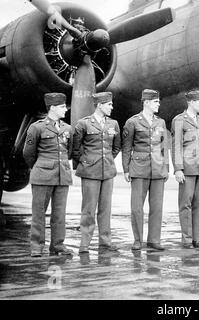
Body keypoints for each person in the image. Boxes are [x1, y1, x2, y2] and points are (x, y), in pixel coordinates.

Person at [23, 92, 73, 257]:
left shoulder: (67, 129)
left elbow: (69, 151)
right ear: (52, 108)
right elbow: (28, 153)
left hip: (62, 176)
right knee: (39, 212)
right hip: (42, 176)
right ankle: (36, 246)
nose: (65, 109)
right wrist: (40, 167)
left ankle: (58, 245)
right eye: (61, 107)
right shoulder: (37, 127)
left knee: (59, 214)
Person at [72, 92, 121, 254]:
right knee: (88, 209)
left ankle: (105, 243)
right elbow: (76, 149)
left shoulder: (113, 124)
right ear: (100, 105)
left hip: (107, 171)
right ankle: (84, 244)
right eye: (109, 105)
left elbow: (116, 147)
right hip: (90, 171)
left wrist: (106, 159)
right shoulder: (83, 124)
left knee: (105, 209)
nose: (112, 107)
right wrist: (87, 161)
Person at [122, 89, 169, 251]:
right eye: (156, 102)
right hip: (139, 168)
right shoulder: (133, 122)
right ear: (146, 103)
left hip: (157, 169)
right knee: (137, 207)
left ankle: (154, 240)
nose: (158, 104)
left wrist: (166, 168)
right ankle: (137, 240)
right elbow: (127, 148)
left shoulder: (160, 122)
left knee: (157, 207)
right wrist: (126, 169)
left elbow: (164, 147)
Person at [171, 90, 199, 249]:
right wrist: (178, 169)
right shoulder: (179, 120)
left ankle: (197, 239)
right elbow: (176, 147)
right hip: (187, 168)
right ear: (190, 102)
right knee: (186, 204)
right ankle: (187, 239)